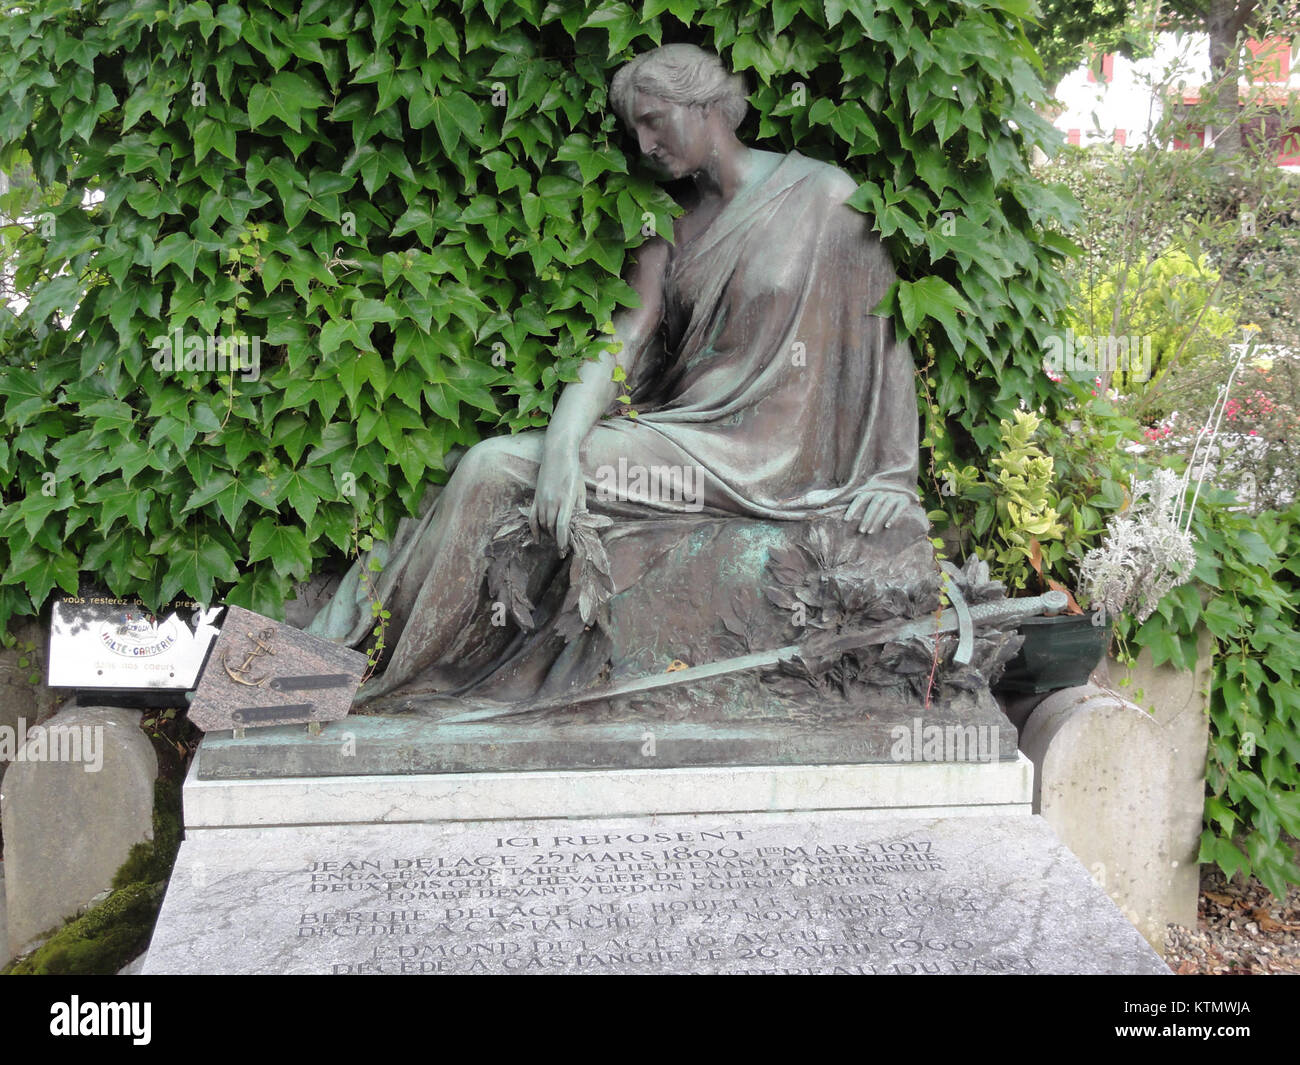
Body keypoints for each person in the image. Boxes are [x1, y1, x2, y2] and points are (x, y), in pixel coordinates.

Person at [310, 44, 926, 709]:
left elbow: (883, 340)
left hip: (771, 458)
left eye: (656, 121)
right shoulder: (671, 223)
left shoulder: (825, 196)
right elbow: (623, 340)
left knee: (493, 467)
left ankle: (341, 666)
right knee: (485, 466)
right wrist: (565, 440)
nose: (645, 142)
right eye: (637, 128)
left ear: (706, 107)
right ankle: (332, 650)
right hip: (685, 436)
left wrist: (895, 475)